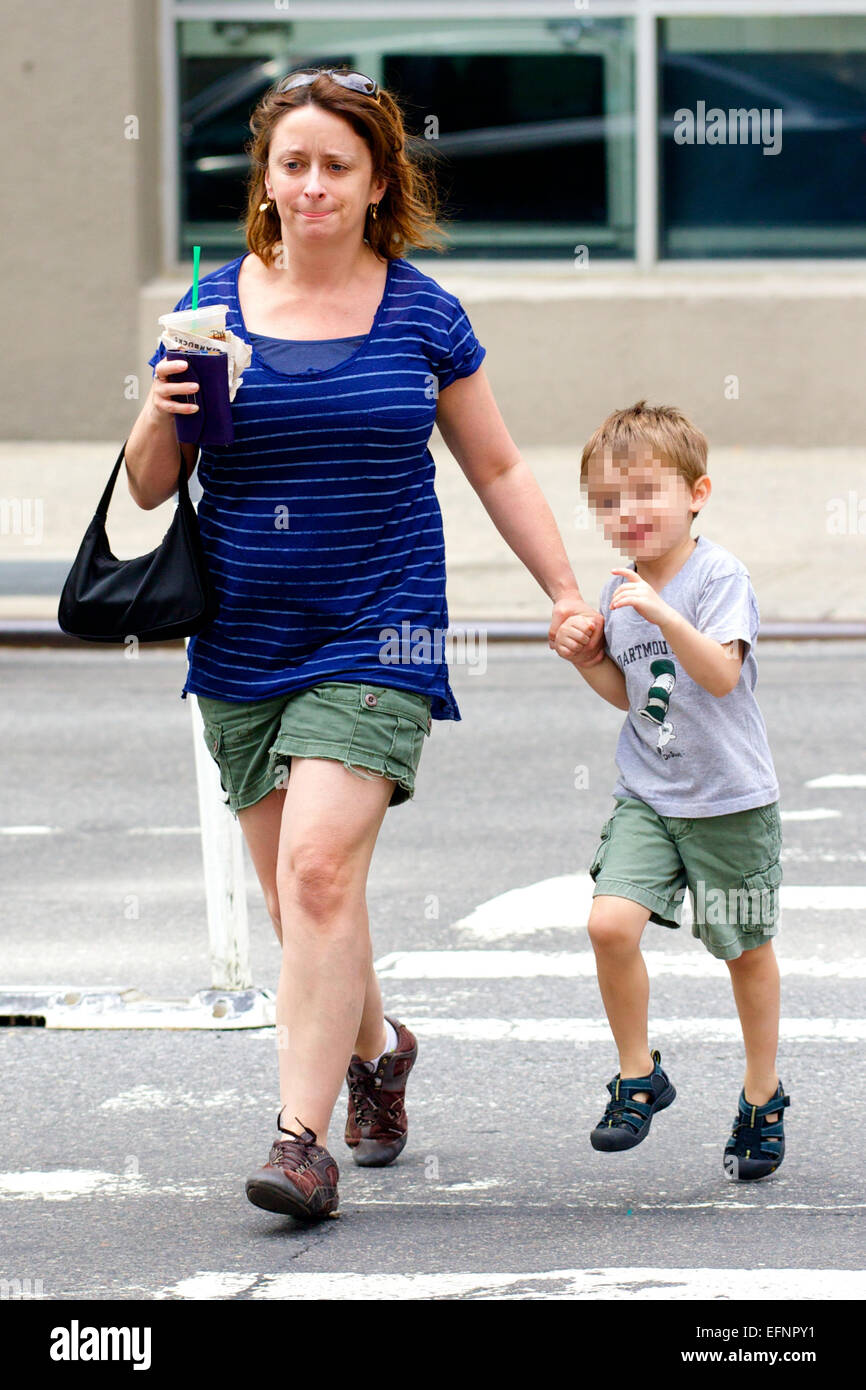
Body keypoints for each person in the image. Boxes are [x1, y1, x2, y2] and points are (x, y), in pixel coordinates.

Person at [125, 67, 605, 1222]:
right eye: (292, 163)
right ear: (265, 182)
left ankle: (300, 1145)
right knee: (306, 912)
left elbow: (493, 464)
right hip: (241, 632)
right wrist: (161, 399)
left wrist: (560, 591)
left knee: (319, 872)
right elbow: (150, 487)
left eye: (337, 163)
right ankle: (378, 1048)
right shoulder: (213, 305)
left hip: (378, 627)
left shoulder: (420, 311)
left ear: (378, 179)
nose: (312, 183)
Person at [554, 400, 790, 1182]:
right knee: (609, 925)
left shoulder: (717, 576)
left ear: (697, 492)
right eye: (608, 502)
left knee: (744, 952)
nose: (628, 513)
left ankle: (762, 1095)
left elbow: (721, 674)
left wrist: (659, 609)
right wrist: (588, 656)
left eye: (646, 492)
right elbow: (634, 695)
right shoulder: (619, 587)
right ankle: (637, 1076)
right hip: (649, 795)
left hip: (730, 802)